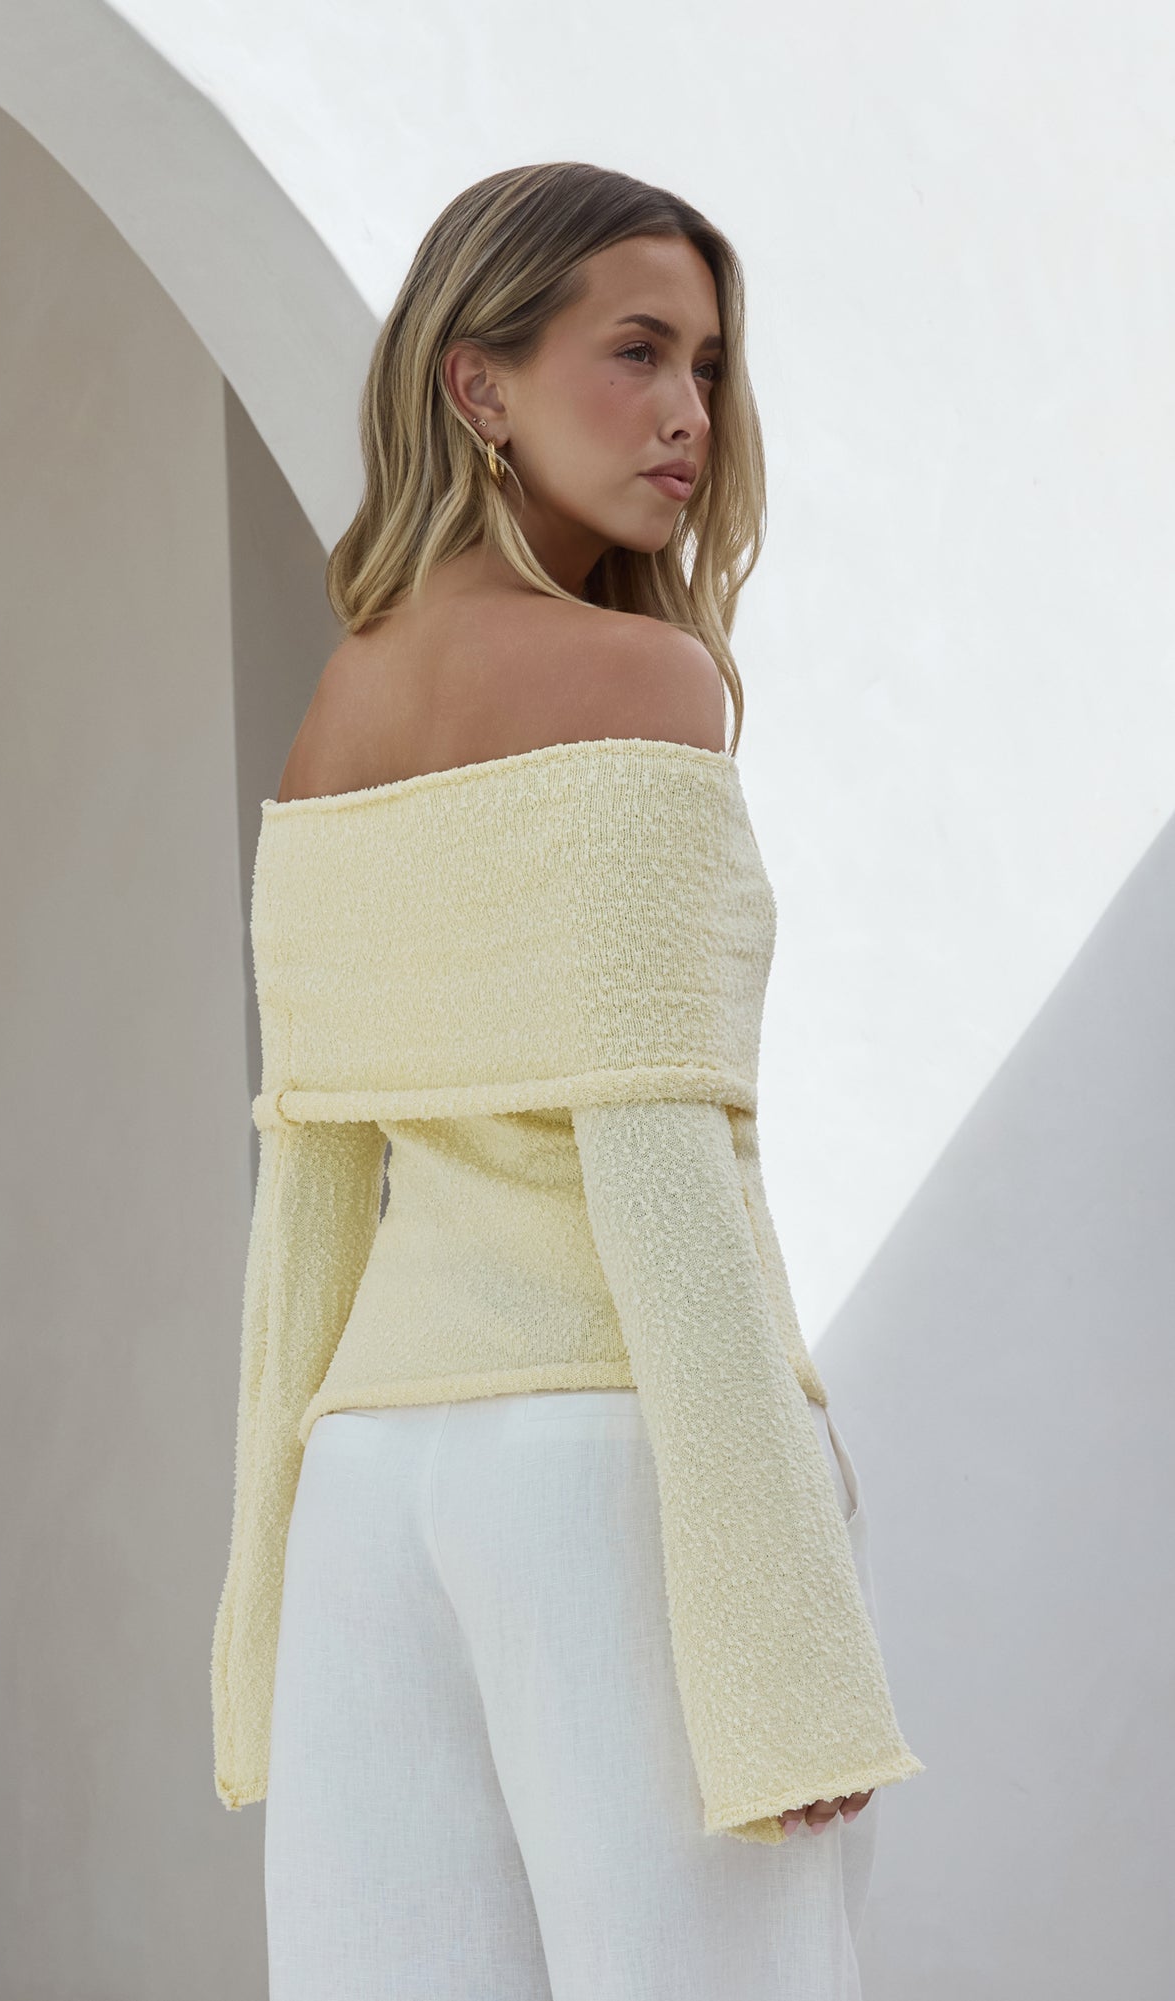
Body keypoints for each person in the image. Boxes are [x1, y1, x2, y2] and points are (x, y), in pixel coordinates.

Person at [210, 160, 924, 1999]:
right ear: (480, 383)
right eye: (636, 350)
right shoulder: (643, 679)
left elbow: (309, 1179)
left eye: (707, 364)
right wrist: (785, 1647)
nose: (690, 412)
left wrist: (262, 1588)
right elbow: (660, 1159)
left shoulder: (336, 714)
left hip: (366, 1480)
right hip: (614, 1461)